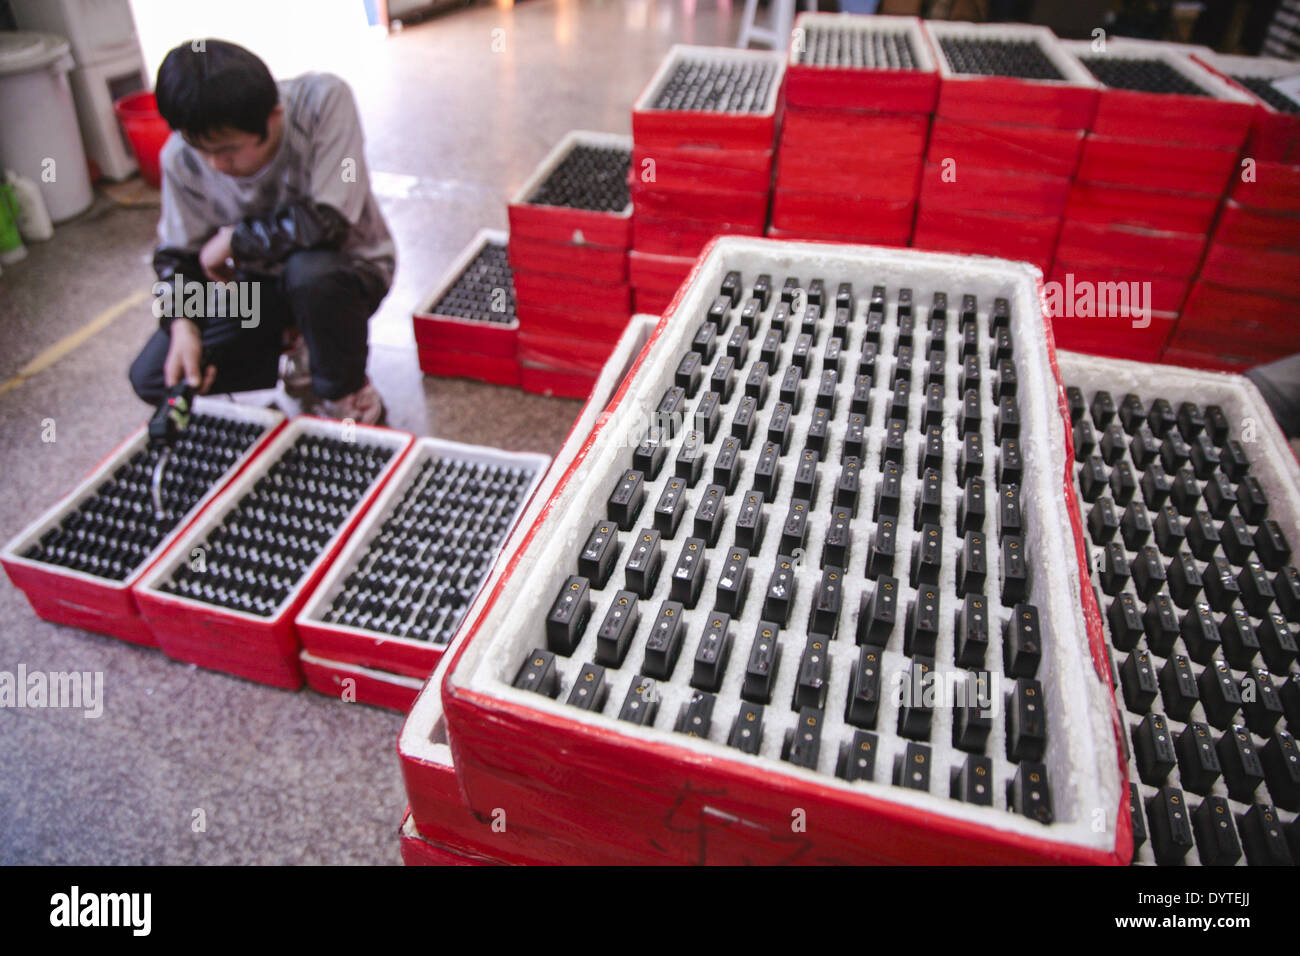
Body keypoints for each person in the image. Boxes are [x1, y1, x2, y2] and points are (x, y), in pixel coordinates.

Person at [128, 39, 395, 424]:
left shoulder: (322, 103)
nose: (216, 164)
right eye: (202, 149)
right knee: (154, 375)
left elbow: (328, 222)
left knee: (312, 275)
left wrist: (234, 239)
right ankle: (291, 351)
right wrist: (183, 324)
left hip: (348, 270)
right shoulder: (181, 158)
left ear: (274, 116)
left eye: (229, 149)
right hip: (259, 288)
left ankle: (345, 392)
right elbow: (178, 257)